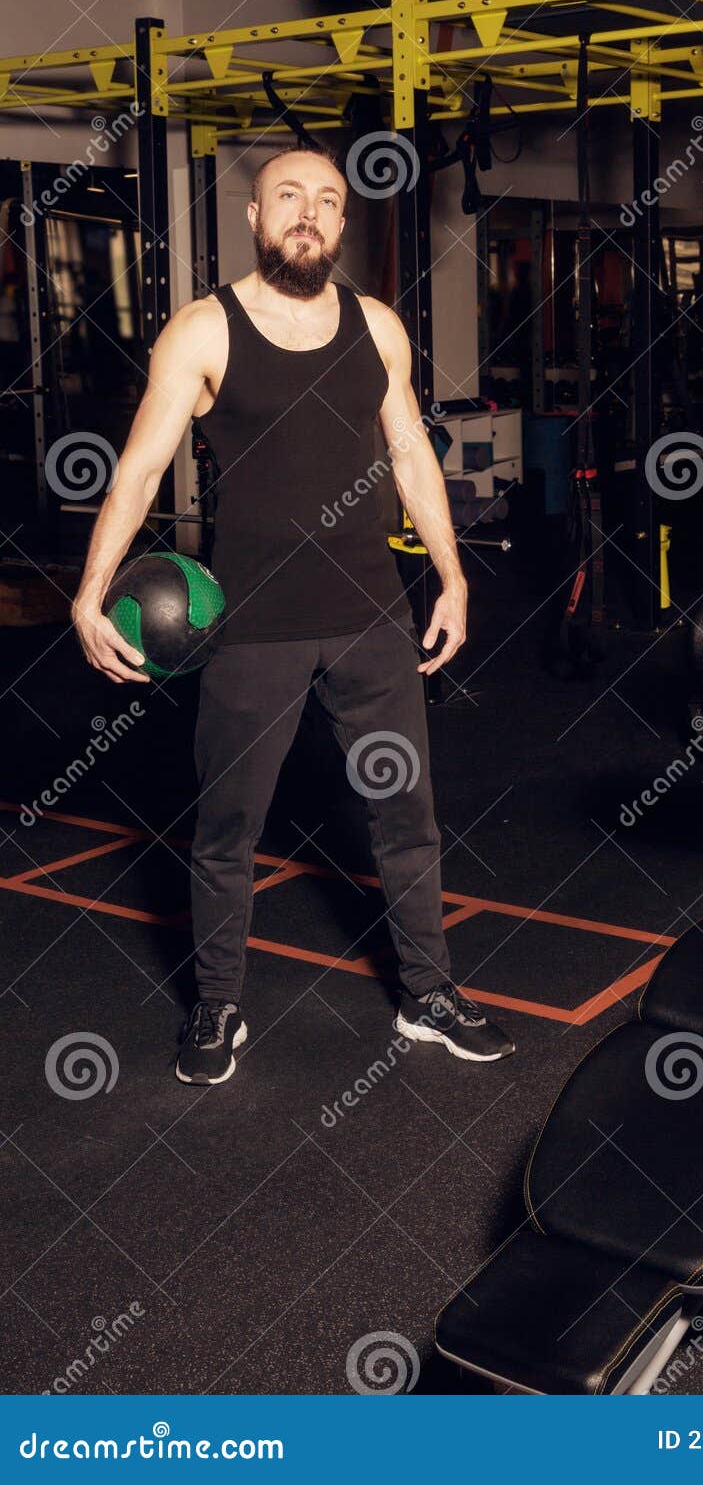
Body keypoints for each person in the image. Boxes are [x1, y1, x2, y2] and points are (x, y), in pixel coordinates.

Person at [72, 144, 515, 1083]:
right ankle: (218, 1006)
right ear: (255, 216)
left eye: (326, 200)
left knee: (407, 817)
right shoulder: (202, 330)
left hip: (369, 616)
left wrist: (453, 573)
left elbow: (409, 455)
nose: (307, 214)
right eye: (288, 197)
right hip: (251, 626)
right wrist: (88, 588)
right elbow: (142, 466)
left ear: (342, 223)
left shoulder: (380, 329)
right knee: (227, 827)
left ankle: (428, 995)